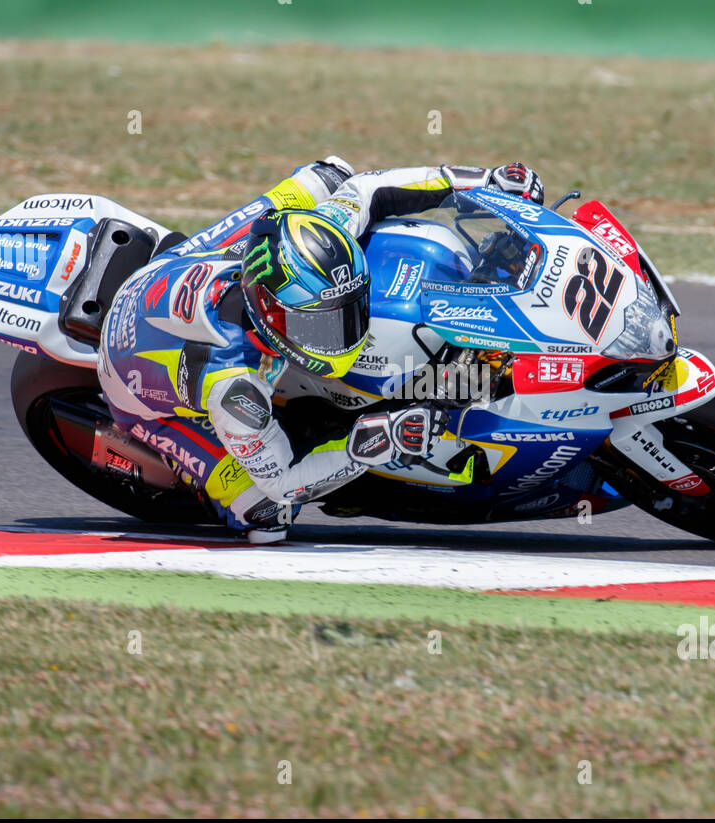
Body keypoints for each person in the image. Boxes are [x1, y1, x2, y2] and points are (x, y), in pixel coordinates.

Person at [97, 157, 544, 541]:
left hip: (171, 269)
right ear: (275, 318)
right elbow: (284, 484)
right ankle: (175, 459)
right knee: (266, 520)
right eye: (328, 324)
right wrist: (379, 441)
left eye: (348, 313)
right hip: (132, 391)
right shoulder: (235, 392)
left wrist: (482, 181)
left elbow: (367, 188)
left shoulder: (310, 238)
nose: (347, 333)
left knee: (331, 175)